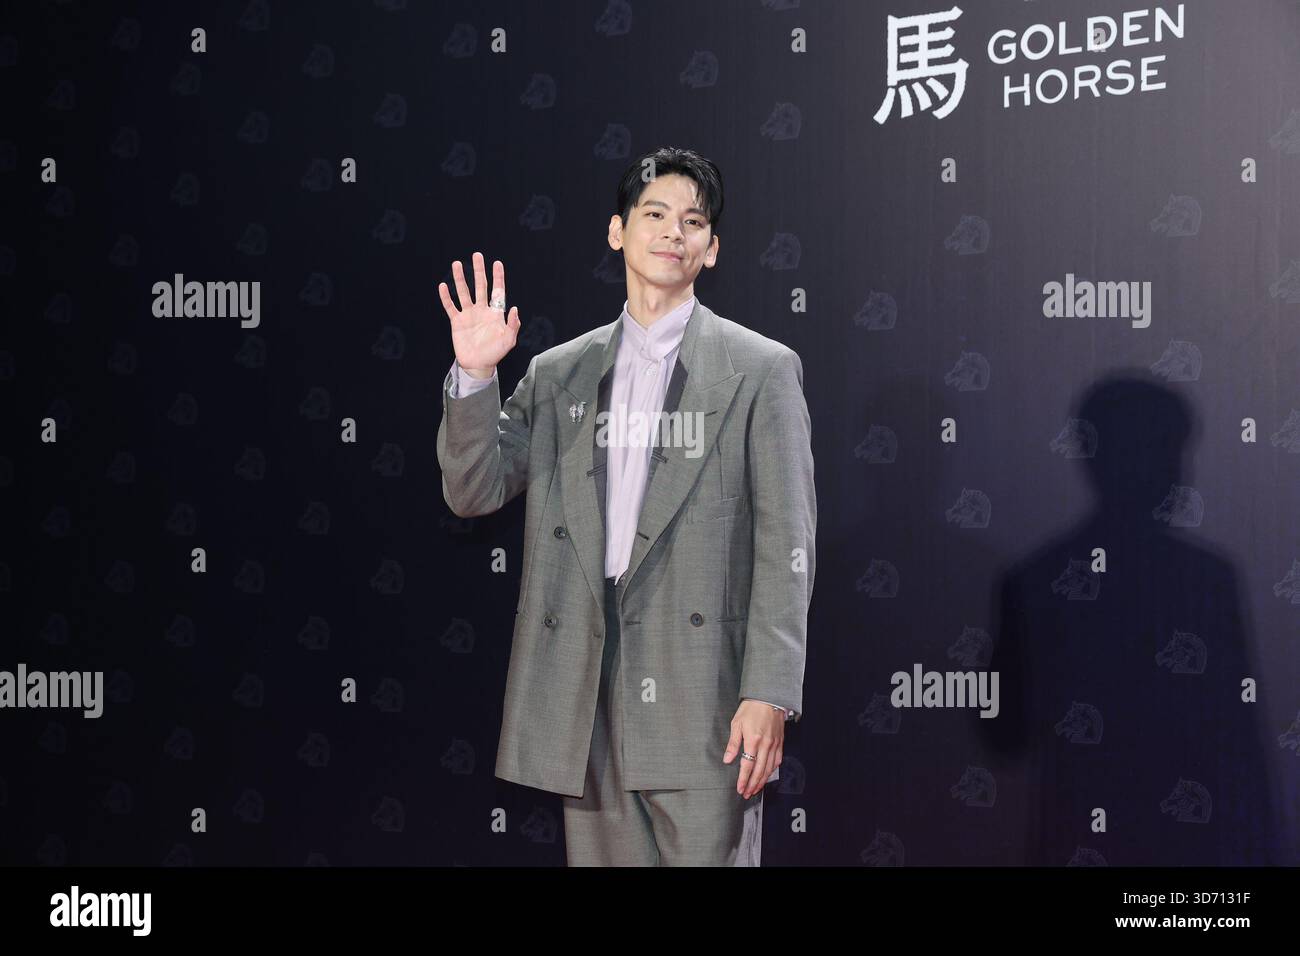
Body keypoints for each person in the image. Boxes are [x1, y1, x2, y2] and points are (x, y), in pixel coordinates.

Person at [436, 146, 816, 865]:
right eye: (655, 214)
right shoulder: (558, 374)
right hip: (588, 686)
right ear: (618, 232)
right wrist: (477, 374)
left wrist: (769, 691)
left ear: (712, 248)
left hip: (704, 696)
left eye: (693, 221)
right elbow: (472, 489)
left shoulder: (761, 371)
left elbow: (786, 544)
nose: (674, 232)